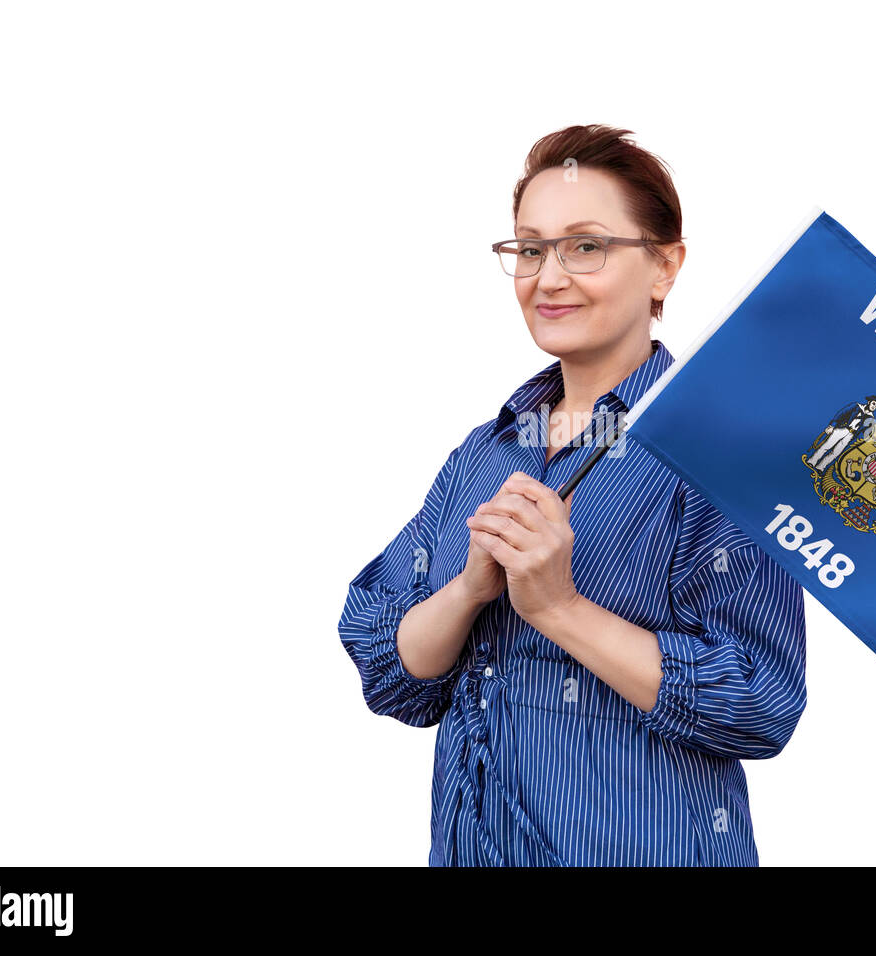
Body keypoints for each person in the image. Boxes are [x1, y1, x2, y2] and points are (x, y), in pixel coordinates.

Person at [337, 125, 807, 866]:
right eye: (529, 249)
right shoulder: (485, 452)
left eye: (586, 246)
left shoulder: (719, 457)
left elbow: (759, 704)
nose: (548, 277)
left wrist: (558, 607)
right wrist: (466, 592)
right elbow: (391, 673)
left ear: (664, 266)